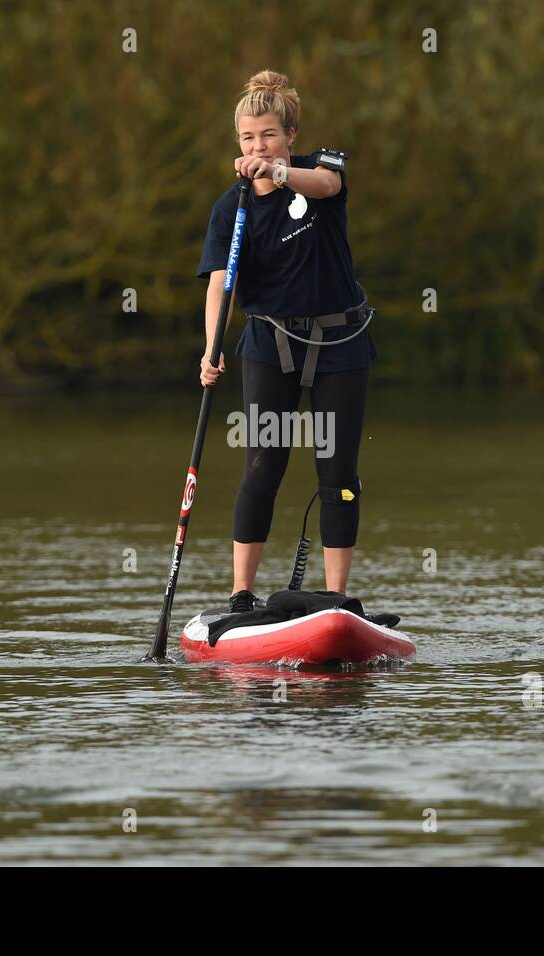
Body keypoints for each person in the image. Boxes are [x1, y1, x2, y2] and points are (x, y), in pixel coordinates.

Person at [196, 69, 377, 613]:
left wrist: (278, 170)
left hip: (341, 345)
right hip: (269, 346)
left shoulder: (323, 165)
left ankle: (337, 598)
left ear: (289, 134)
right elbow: (218, 287)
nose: (258, 146)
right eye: (249, 138)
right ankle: (241, 595)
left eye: (269, 135)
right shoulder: (232, 209)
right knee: (262, 465)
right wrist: (211, 349)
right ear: (237, 144)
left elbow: (324, 187)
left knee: (337, 468)